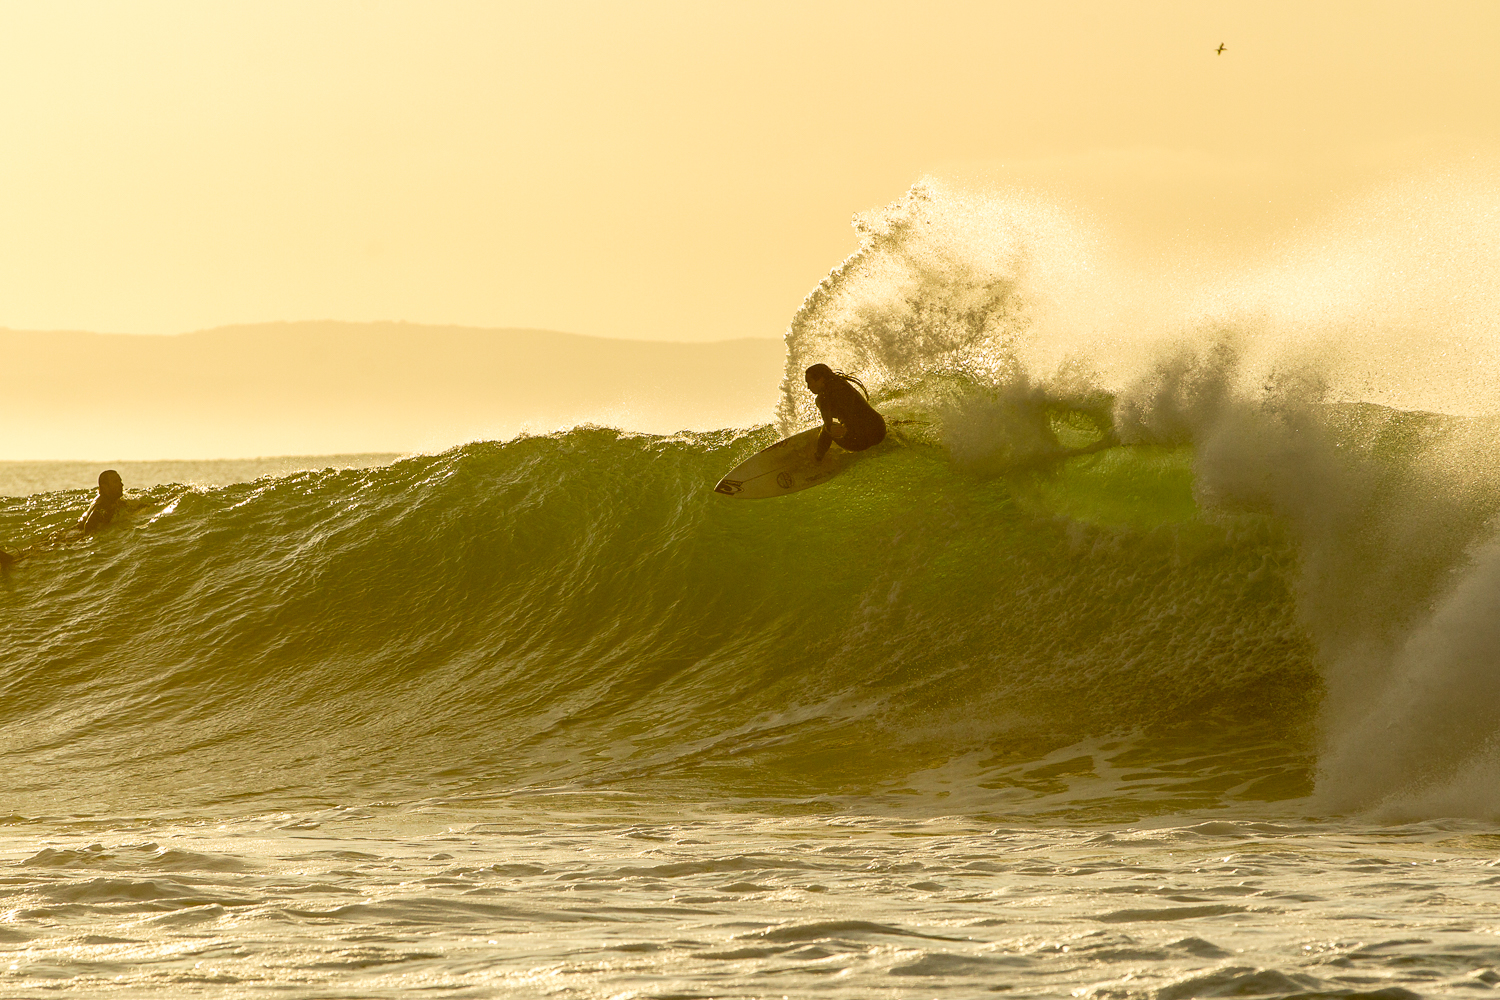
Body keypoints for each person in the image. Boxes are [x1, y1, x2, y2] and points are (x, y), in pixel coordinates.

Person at [805, 363, 886, 461]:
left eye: (809, 382)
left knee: (826, 429)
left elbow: (828, 425)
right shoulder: (842, 384)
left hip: (860, 440)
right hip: (879, 430)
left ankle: (817, 458)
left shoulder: (823, 398)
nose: (808, 387)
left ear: (821, 379)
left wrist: (831, 428)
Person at [77, 469, 142, 534]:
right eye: (116, 482)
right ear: (104, 486)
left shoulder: (111, 500)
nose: (121, 484)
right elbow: (89, 525)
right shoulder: (103, 505)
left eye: (120, 481)